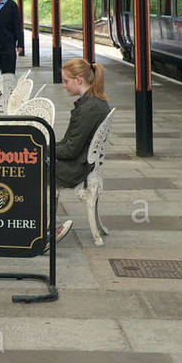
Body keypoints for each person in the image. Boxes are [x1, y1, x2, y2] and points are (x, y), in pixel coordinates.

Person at [48, 58, 112, 241]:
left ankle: (44, 229)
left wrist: (40, 150)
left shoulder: (89, 108)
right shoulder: (94, 102)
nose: (64, 86)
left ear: (78, 80)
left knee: (28, 169)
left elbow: (70, 150)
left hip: (77, 168)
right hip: (82, 163)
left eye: (66, 81)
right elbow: (69, 144)